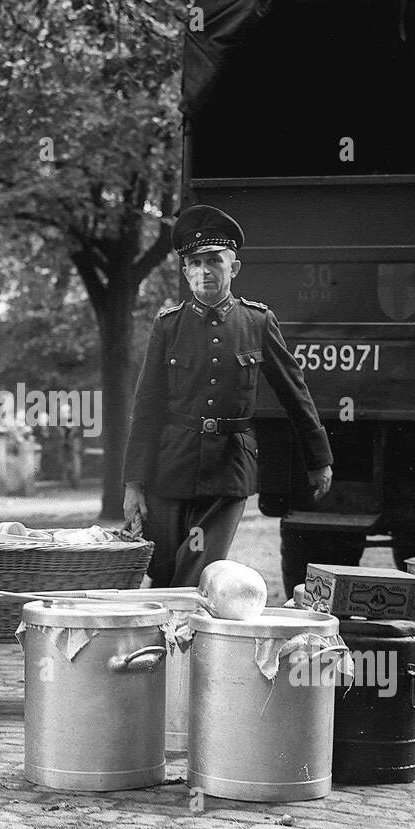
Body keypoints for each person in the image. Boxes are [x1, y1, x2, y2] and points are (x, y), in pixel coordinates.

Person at [122, 204, 333, 589]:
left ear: (233, 268)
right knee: (163, 569)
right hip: (170, 468)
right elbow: (146, 406)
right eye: (196, 263)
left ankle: (182, 644)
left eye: (214, 261)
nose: (205, 271)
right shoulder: (168, 326)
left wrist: (319, 459)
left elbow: (294, 393)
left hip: (228, 472)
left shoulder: (257, 322)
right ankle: (165, 646)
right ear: (185, 272)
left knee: (198, 570)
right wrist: (134, 483)